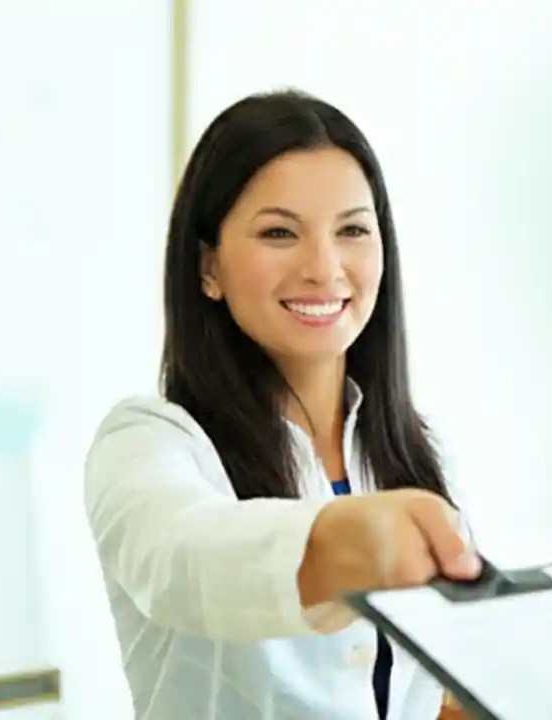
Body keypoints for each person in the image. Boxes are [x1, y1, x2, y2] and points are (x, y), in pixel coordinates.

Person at [84, 90, 480, 719]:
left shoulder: (419, 453)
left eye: (352, 230)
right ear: (208, 265)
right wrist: (333, 544)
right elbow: (183, 560)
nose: (324, 269)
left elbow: (430, 699)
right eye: (278, 232)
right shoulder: (147, 441)